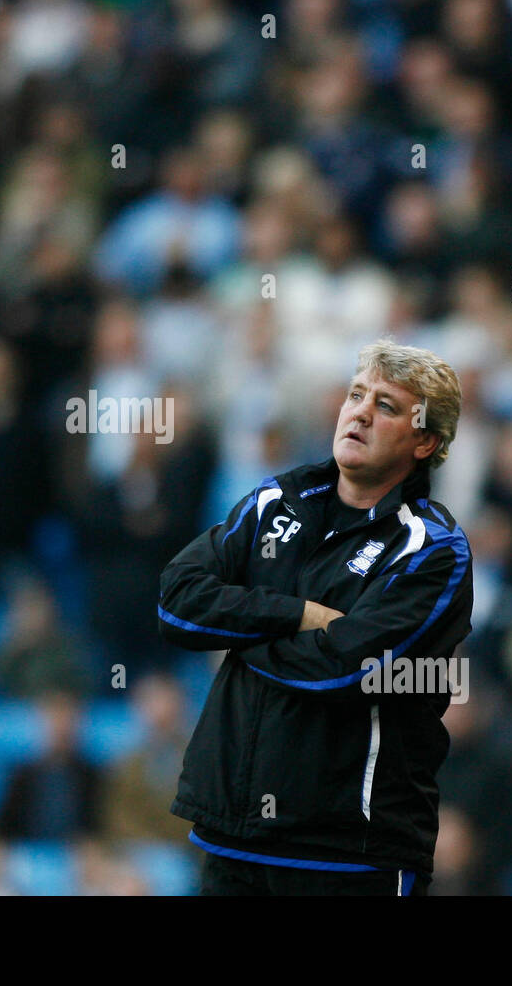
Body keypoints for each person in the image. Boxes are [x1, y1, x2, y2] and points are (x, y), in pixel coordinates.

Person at [158, 338, 472, 895]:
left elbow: (347, 667)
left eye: (386, 406)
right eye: (357, 395)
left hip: (350, 855)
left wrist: (239, 634)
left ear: (424, 441)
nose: (360, 412)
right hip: (233, 839)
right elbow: (177, 602)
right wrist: (295, 614)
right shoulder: (275, 501)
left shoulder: (435, 550)